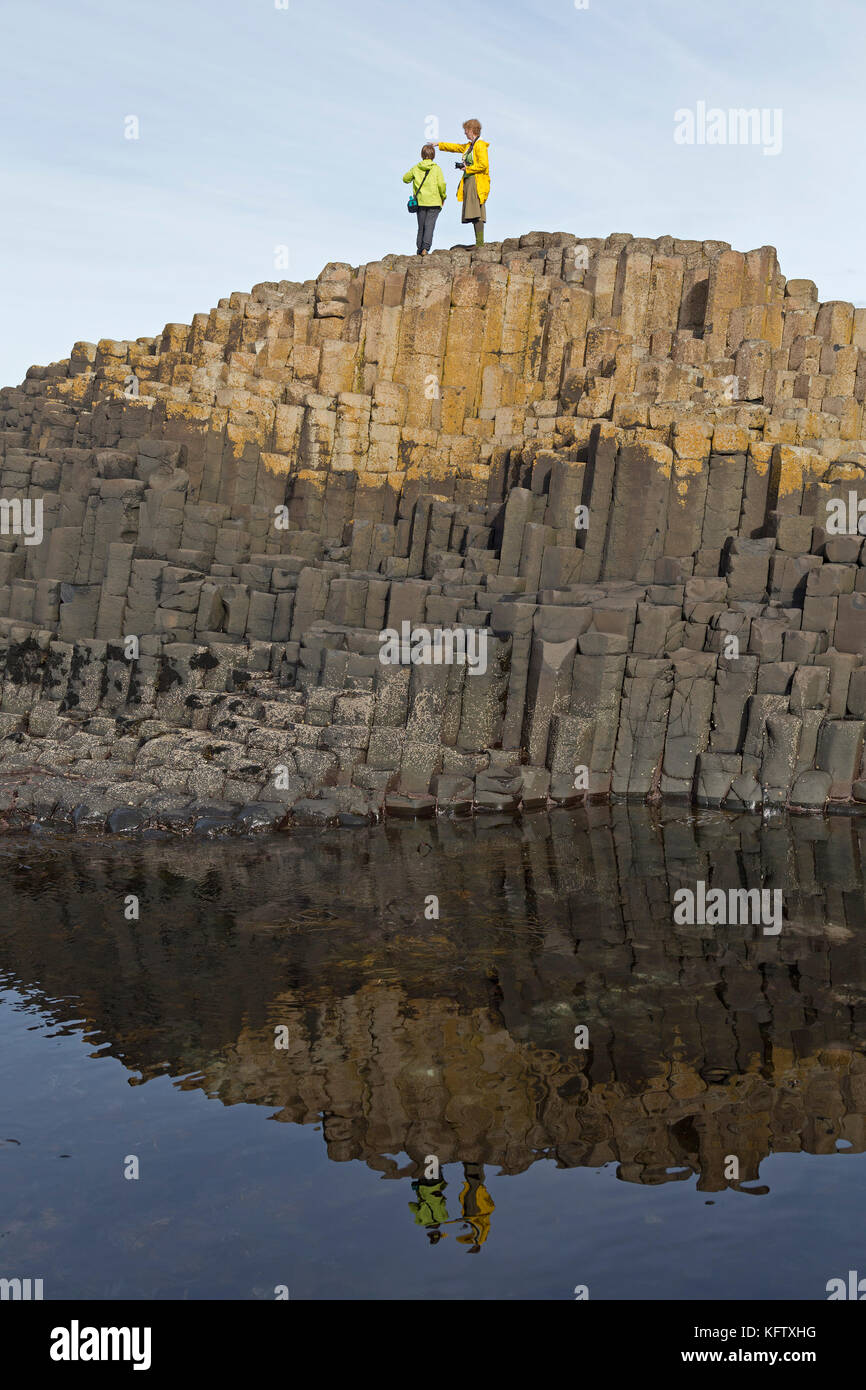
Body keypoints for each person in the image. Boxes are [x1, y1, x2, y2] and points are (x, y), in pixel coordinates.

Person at [438, 120, 490, 246]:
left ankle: (479, 243)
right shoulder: (470, 145)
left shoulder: (480, 145)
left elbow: (484, 165)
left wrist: (468, 168)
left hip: (476, 182)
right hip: (469, 181)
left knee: (477, 213)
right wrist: (439, 144)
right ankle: (479, 243)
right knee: (473, 213)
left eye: (466, 130)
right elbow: (455, 147)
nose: (465, 133)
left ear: (471, 130)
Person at [402, 144, 447, 256]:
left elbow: (405, 179)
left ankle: (419, 248)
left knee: (421, 226)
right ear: (433, 155)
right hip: (434, 202)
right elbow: (441, 184)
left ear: (422, 155)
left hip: (421, 201)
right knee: (429, 225)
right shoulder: (437, 169)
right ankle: (425, 249)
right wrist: (443, 196)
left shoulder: (416, 168)